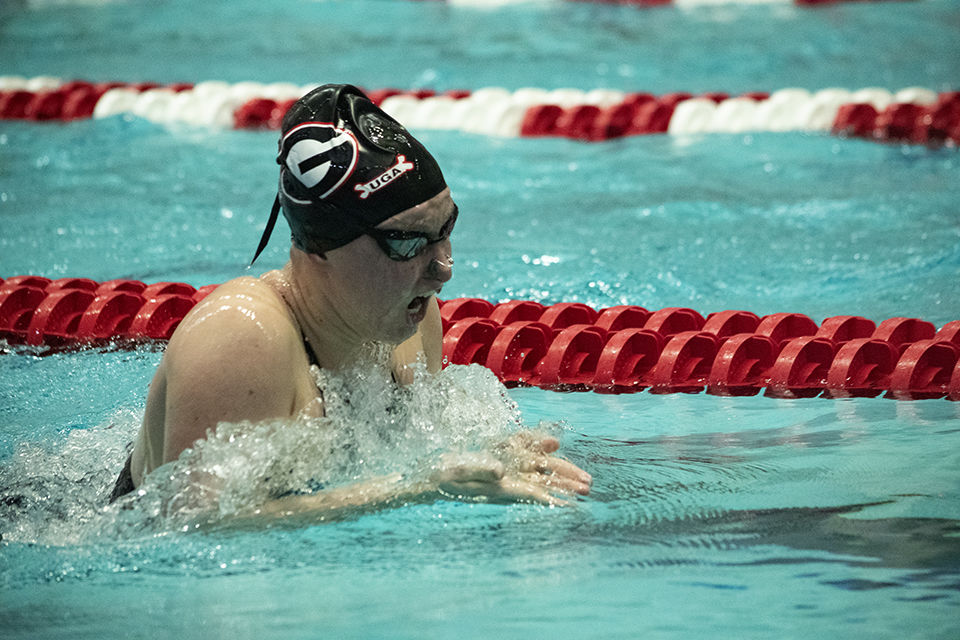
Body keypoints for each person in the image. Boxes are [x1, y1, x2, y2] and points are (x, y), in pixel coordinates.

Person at [109, 84, 591, 519]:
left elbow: (417, 455)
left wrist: (492, 457)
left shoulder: (409, 321)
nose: (443, 267)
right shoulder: (243, 338)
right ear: (320, 247)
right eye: (407, 244)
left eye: (446, 231)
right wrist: (414, 489)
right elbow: (188, 528)